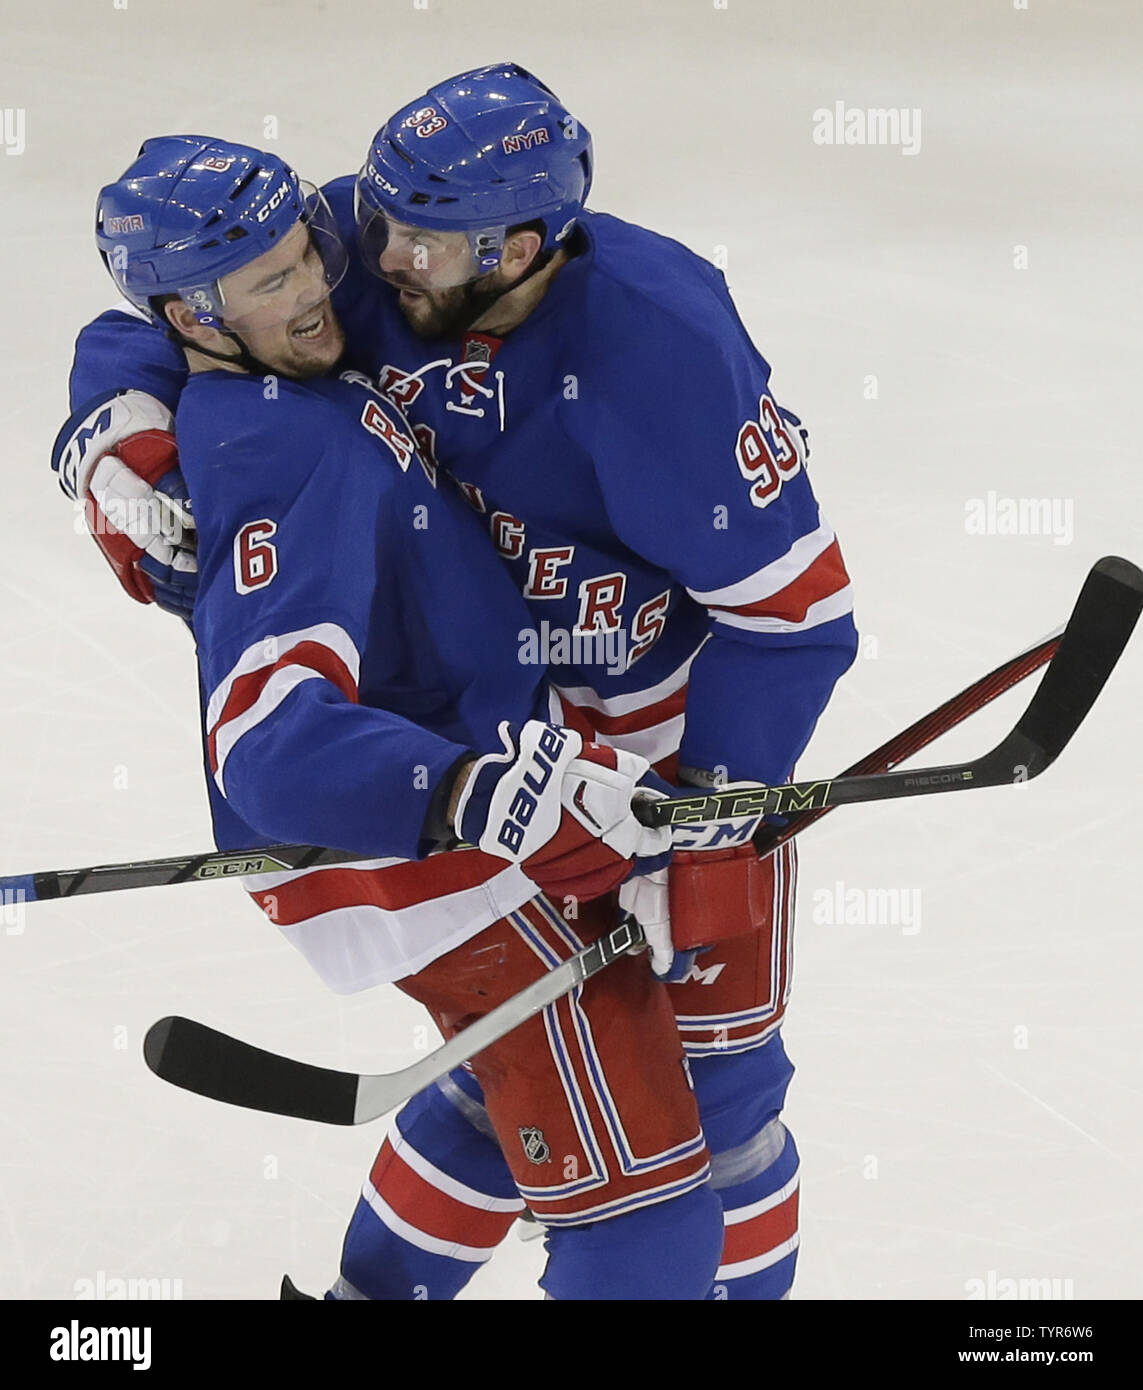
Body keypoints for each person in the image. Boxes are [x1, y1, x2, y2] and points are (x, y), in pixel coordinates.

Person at [55, 65, 858, 1299]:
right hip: (507, 744)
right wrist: (117, 434)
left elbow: (798, 625)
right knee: (547, 1087)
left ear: (522, 246)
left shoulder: (663, 350)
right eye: (367, 225)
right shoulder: (378, 251)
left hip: (666, 736)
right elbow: (161, 308)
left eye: (412, 246)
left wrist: (703, 827)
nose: (366, 264)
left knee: (723, 1091)